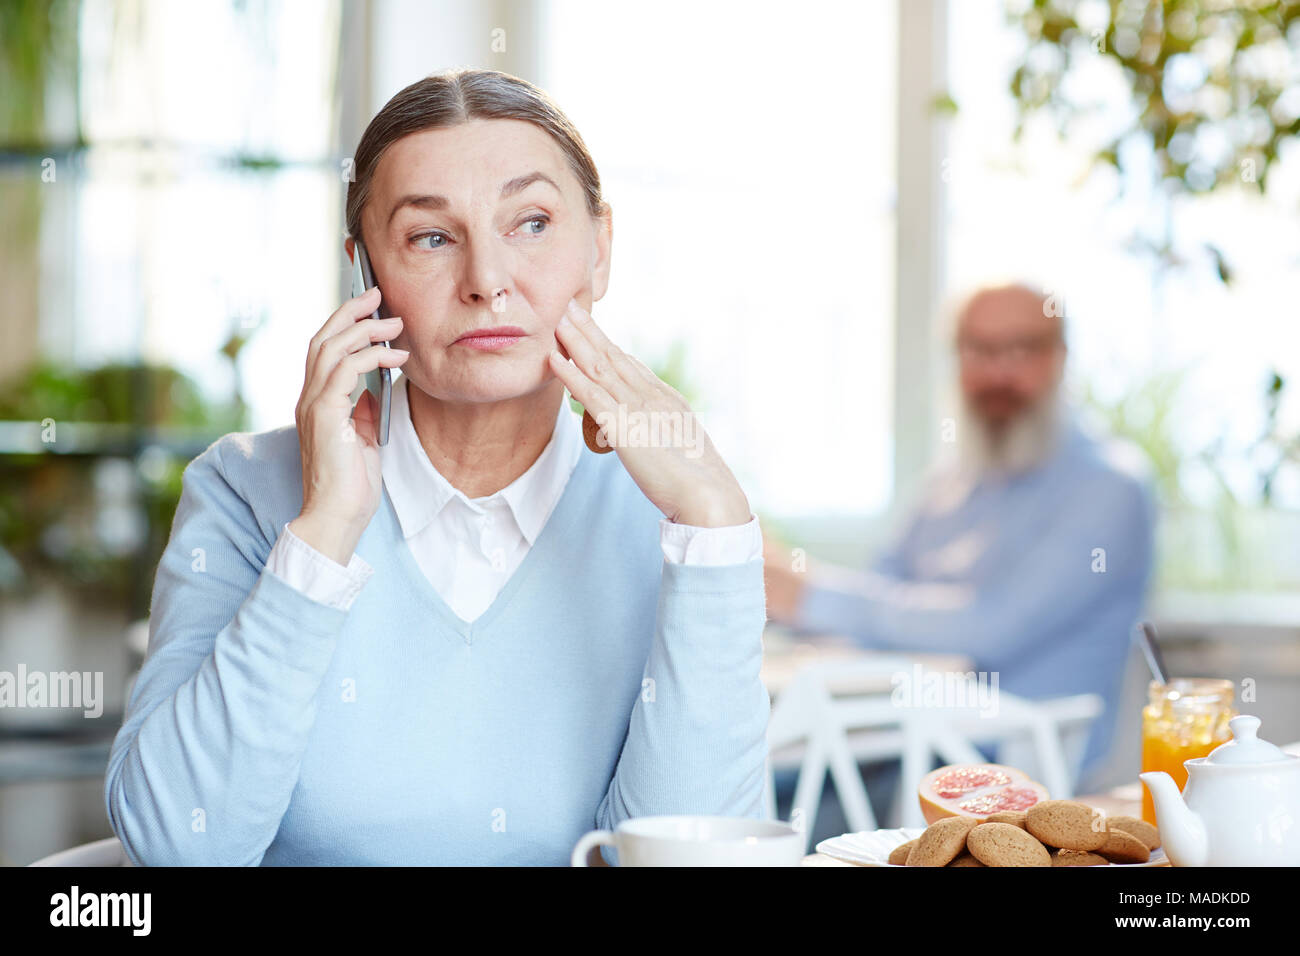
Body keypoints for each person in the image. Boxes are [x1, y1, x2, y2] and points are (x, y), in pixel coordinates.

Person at [105, 69, 768, 866]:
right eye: (430, 237)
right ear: (367, 273)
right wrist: (322, 535)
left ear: (600, 251)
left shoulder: (670, 518)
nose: (487, 281)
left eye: (530, 223)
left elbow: (685, 860)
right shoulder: (243, 493)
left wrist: (715, 527)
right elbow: (177, 850)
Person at [765, 283, 1156, 781]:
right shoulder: (945, 484)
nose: (996, 372)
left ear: (1060, 357)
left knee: (755, 789)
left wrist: (810, 594)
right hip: (893, 740)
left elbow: (992, 627)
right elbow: (877, 591)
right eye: (977, 350)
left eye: (1021, 349)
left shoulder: (1110, 487)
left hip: (1008, 772)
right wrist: (779, 588)